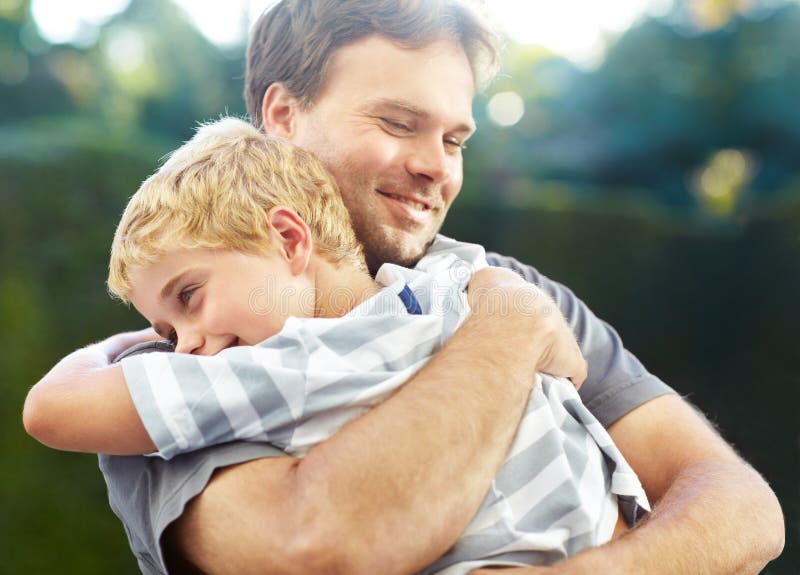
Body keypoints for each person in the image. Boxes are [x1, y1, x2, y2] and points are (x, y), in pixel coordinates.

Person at [34, 1, 785, 573]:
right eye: (399, 122)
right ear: (284, 116)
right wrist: (508, 328)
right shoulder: (194, 352)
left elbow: (742, 508)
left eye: (454, 138)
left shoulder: (489, 278)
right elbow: (325, 544)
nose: (438, 167)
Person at [24, 117, 650, 573]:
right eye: (164, 331)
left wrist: (124, 342)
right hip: (619, 533)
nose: (184, 346)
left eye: (188, 297)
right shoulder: (455, 291)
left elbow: (50, 410)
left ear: (290, 240)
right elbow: (567, 364)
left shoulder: (287, 364)